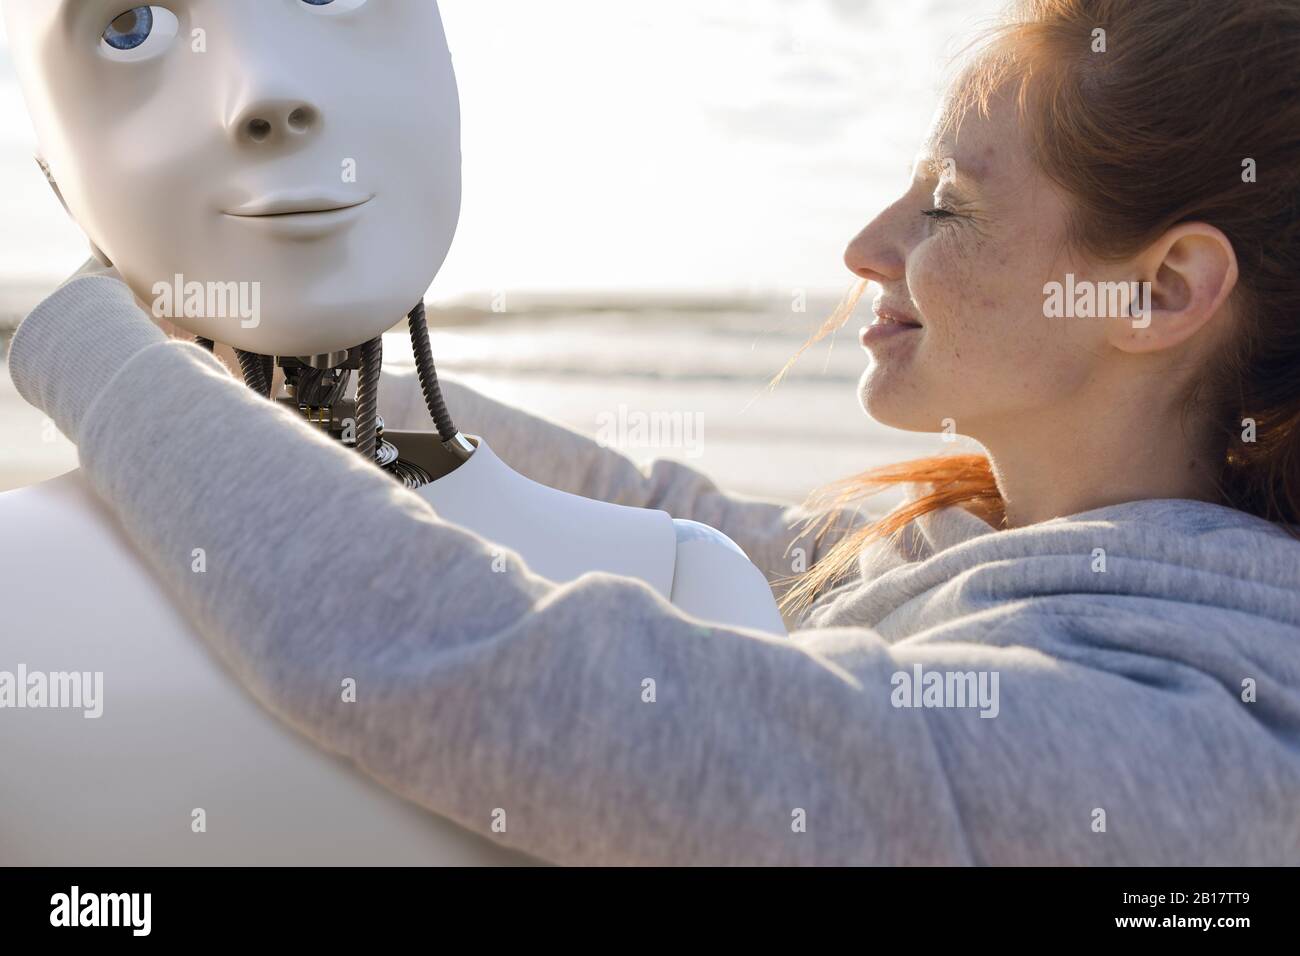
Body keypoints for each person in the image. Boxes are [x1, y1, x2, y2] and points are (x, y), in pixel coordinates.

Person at [11, 0, 1300, 864]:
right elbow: (670, 505)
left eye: (949, 207)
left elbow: (490, 672)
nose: (866, 249)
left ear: (1158, 291)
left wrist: (92, 351)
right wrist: (282, 368)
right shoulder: (983, 546)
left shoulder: (1185, 747)